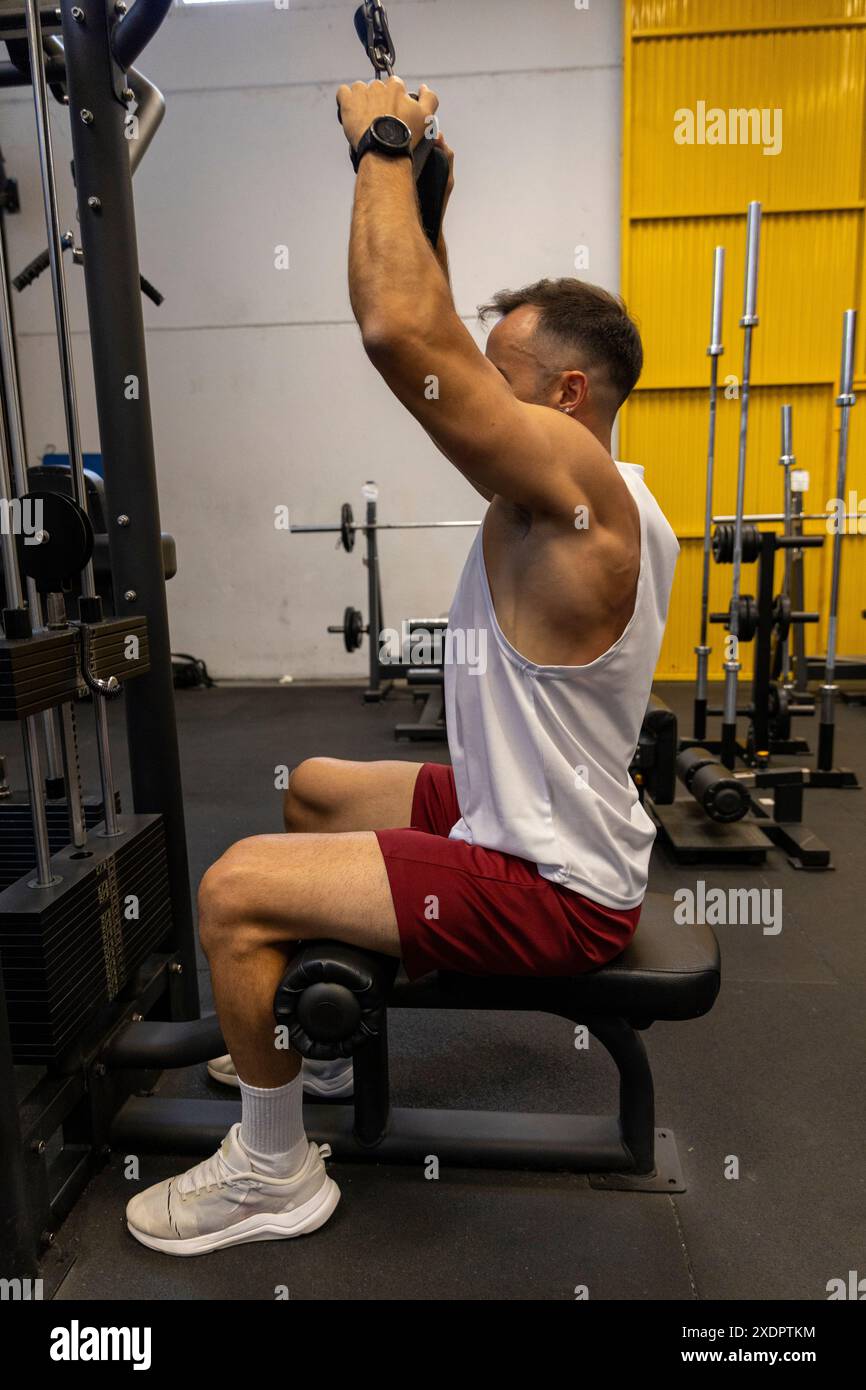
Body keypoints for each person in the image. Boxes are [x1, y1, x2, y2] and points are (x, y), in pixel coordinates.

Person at [126, 77, 679, 1256]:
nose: (475, 392)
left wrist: (377, 139)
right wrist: (422, 190)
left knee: (232, 888)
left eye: (502, 376)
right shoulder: (591, 489)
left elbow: (400, 337)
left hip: (555, 889)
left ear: (569, 395)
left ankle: (272, 1171)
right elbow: (427, 327)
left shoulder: (580, 501)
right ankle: (317, 1056)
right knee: (315, 787)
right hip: (521, 815)